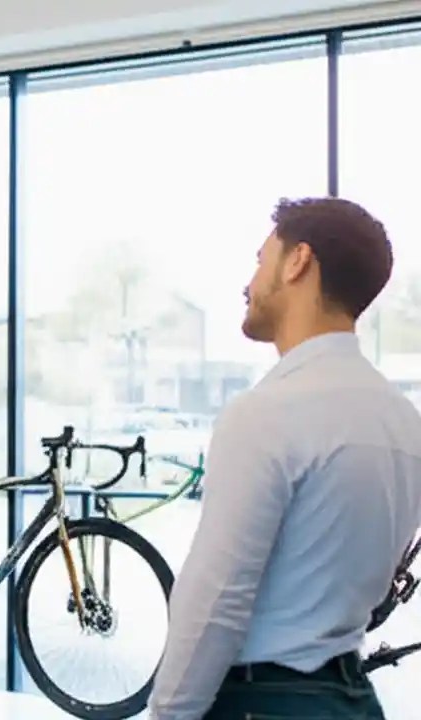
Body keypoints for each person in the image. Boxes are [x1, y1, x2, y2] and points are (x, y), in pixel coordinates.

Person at [147, 197, 421, 719]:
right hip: (354, 702)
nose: (249, 283)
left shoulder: (265, 413)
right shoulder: (404, 423)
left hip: (262, 702)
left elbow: (215, 603)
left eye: (260, 260)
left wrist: (167, 714)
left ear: (298, 261)